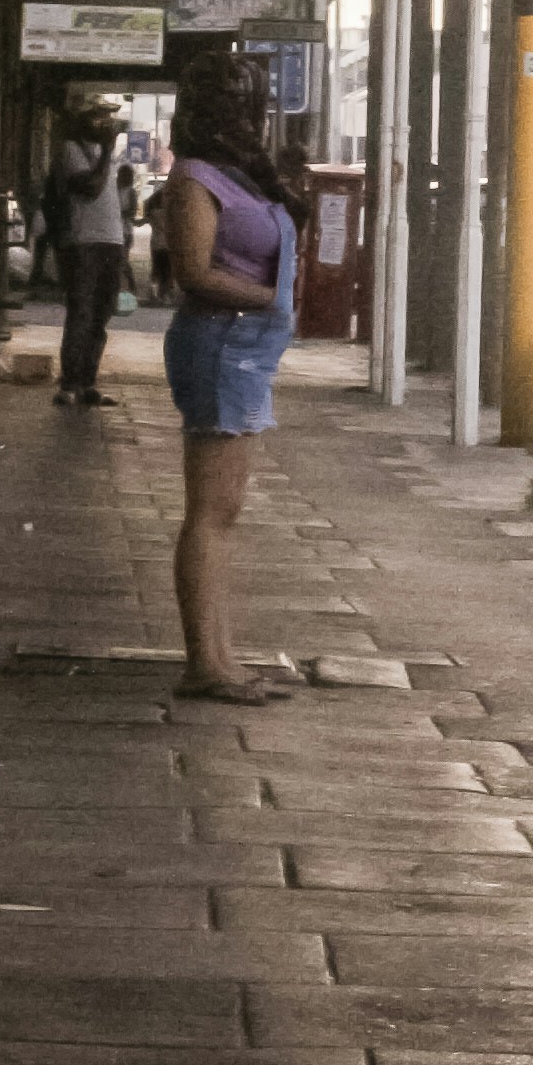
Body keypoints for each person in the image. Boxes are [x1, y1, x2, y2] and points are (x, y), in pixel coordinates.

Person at [153, 54, 305, 702]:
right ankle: (206, 665)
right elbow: (192, 271)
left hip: (245, 348)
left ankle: (218, 657)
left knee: (224, 512)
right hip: (222, 346)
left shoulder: (236, 175)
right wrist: (270, 296)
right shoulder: (192, 179)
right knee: (210, 514)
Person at [44, 103, 131, 405]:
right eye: (99, 118)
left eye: (109, 118)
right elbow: (91, 189)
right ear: (83, 122)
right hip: (83, 242)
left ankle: (87, 384)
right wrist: (107, 151)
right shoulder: (70, 150)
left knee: (101, 315)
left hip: (112, 241)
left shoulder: (105, 155)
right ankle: (68, 385)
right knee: (81, 312)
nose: (107, 123)